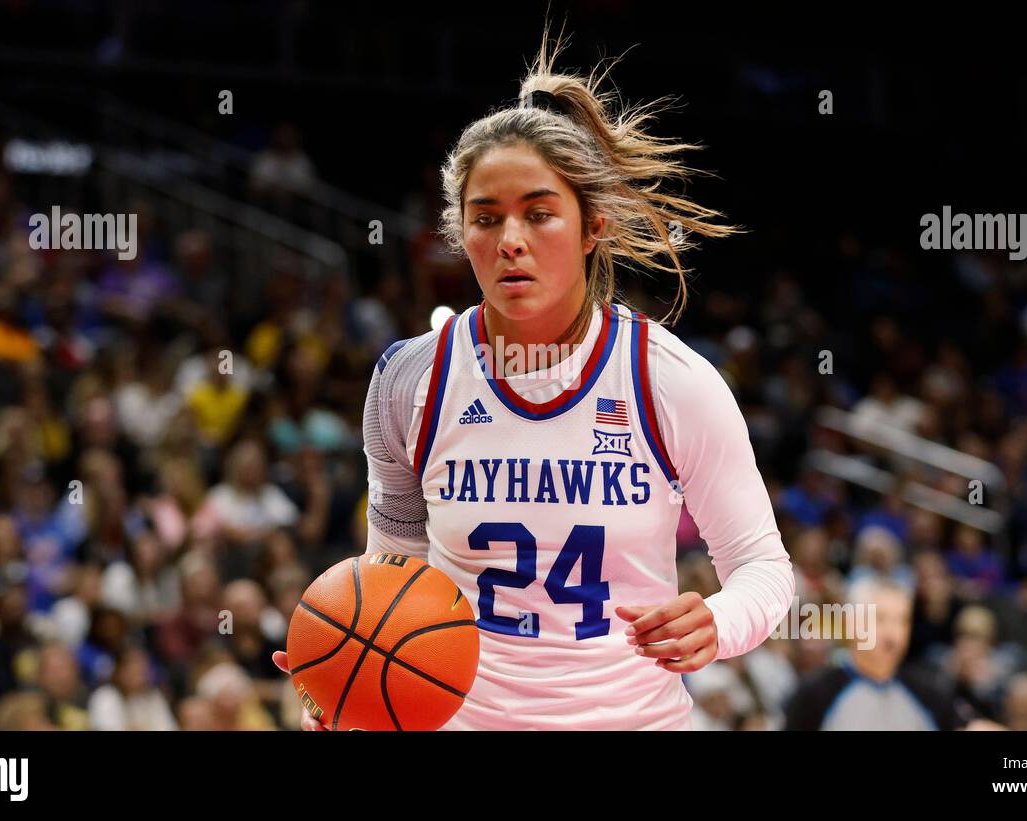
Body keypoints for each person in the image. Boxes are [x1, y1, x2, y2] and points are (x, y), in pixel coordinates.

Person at [273, 25, 794, 730]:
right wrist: (347, 668)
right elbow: (393, 578)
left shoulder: (671, 381)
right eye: (486, 219)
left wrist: (719, 619)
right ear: (462, 235)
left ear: (591, 229)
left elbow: (764, 569)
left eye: (539, 213)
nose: (510, 239)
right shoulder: (408, 380)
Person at [783, 578, 964, 731]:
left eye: (902, 620)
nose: (892, 634)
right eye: (879, 618)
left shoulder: (930, 693)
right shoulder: (814, 695)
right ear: (851, 623)